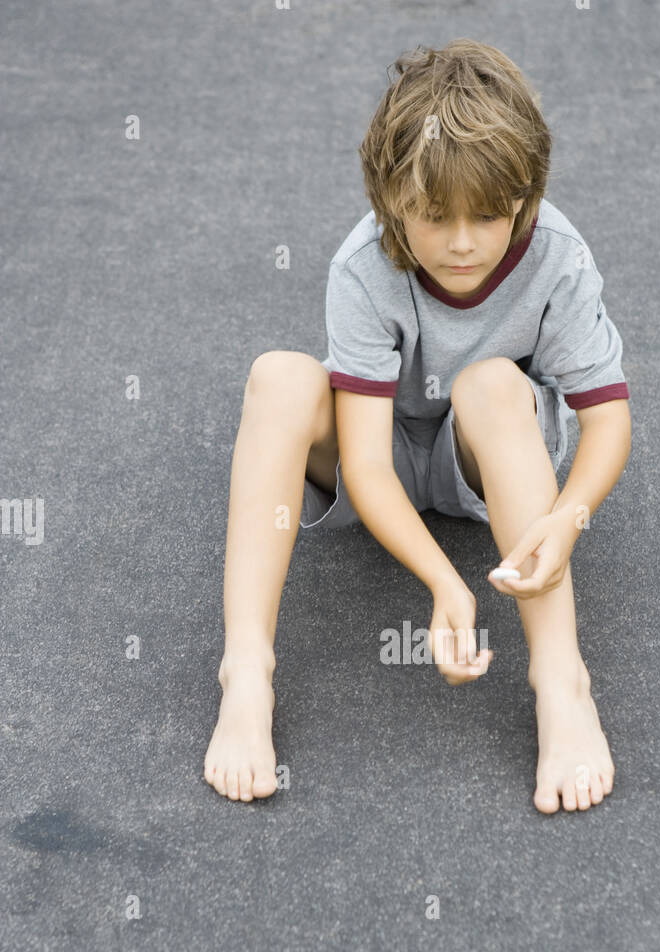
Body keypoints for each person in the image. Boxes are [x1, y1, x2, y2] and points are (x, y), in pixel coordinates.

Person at [204, 38, 631, 812]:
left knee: (492, 383)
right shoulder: (363, 263)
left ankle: (561, 682)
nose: (462, 241)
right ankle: (244, 672)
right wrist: (444, 583)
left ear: (525, 198)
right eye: (434, 217)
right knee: (279, 376)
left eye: (489, 216)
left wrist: (568, 517)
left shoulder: (559, 257)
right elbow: (364, 464)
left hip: (483, 454)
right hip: (386, 457)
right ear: (389, 201)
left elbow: (607, 420)